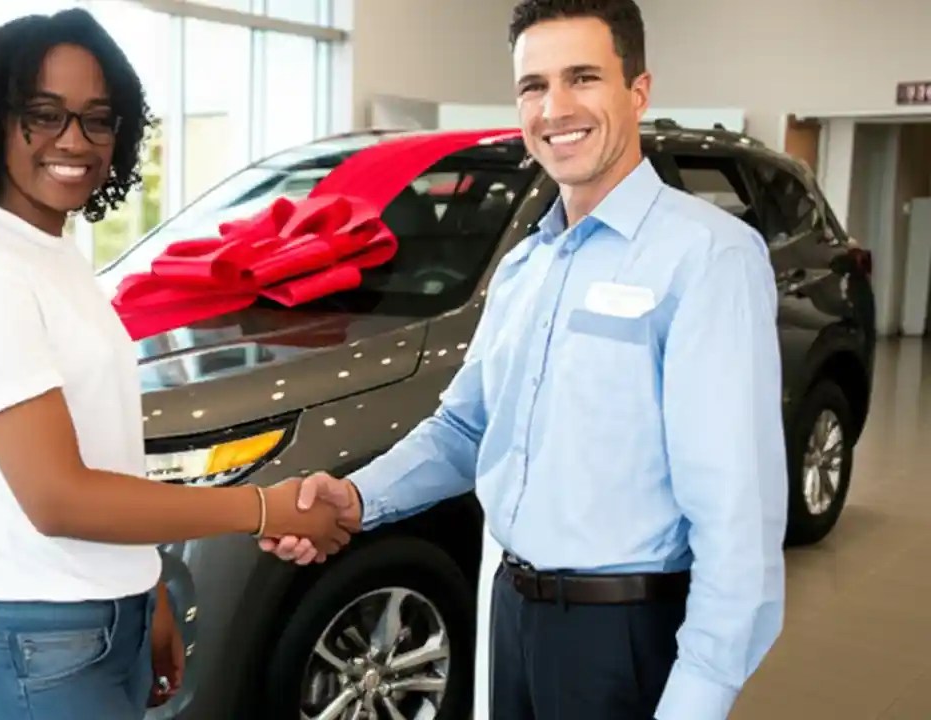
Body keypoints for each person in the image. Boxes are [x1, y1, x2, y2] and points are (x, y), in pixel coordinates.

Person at [261, 0, 787, 718]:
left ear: (638, 91)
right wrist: (357, 498)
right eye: (533, 85)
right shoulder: (524, 267)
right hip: (513, 611)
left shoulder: (706, 257)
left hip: (623, 634)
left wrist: (697, 698)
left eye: (583, 78)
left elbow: (737, 517)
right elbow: (465, 431)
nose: (555, 107)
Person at [0, 9, 352, 720]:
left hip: (97, 622)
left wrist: (145, 588)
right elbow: (57, 497)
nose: (74, 141)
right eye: (44, 115)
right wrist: (262, 506)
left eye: (97, 119)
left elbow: (104, 448)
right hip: (37, 641)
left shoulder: (52, 254)